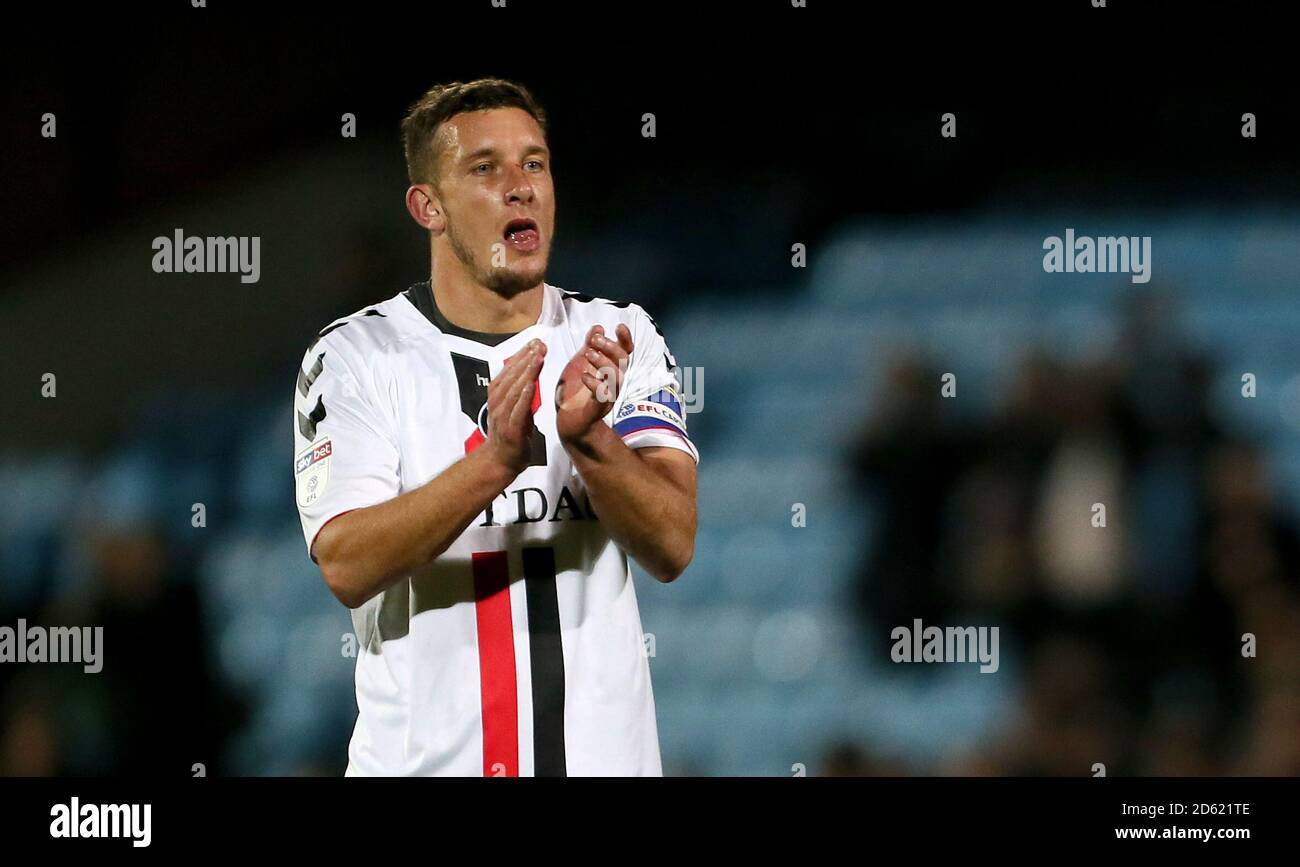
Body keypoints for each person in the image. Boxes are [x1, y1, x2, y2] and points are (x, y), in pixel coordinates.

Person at [292, 79, 699, 776]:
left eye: (534, 163)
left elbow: (672, 544)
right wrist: (495, 463)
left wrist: (591, 441)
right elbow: (347, 562)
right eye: (485, 168)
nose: (521, 186)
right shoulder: (356, 355)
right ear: (429, 207)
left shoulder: (619, 336)